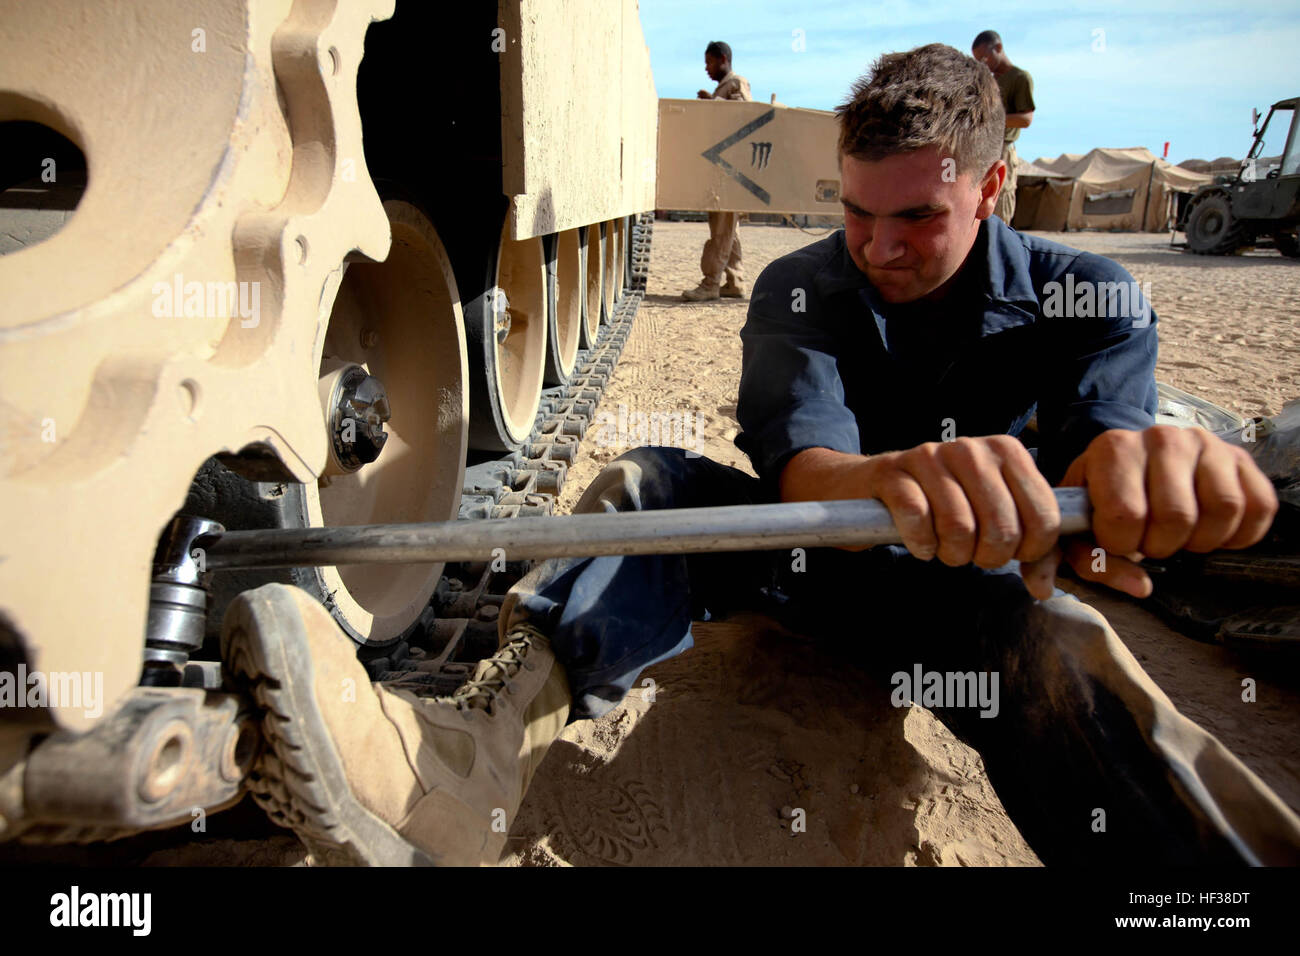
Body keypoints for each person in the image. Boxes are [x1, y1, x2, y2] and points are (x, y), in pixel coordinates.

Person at [226, 43, 1300, 867]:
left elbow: (1111, 440)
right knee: (647, 487)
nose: (876, 246)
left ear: (993, 183)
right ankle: (466, 769)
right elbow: (803, 477)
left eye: (917, 216)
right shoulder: (801, 287)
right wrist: (896, 479)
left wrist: (1154, 469)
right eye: (854, 209)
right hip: (808, 567)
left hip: (975, 602)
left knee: (1062, 647)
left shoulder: (1094, 297)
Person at [682, 40, 751, 302]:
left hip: (729, 171)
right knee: (729, 231)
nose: (707, 69)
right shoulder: (724, 87)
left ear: (722, 59)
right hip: (723, 168)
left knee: (722, 230)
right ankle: (735, 281)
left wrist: (713, 102)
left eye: (709, 62)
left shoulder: (736, 83)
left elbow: (744, 115)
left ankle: (710, 283)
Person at [972, 30, 1034, 225]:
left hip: (1004, 149)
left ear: (998, 48)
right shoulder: (990, 81)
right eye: (978, 61)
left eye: (985, 57)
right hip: (984, 148)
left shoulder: (1019, 77)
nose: (984, 64)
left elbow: (1026, 119)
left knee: (1000, 206)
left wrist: (994, 119)